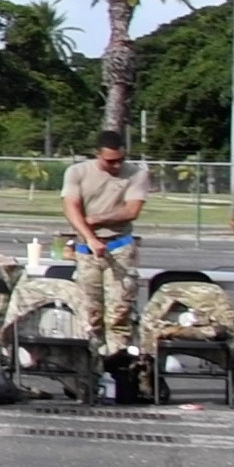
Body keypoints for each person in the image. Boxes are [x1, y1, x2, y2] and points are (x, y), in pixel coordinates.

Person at [62, 131, 150, 384]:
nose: (116, 165)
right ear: (97, 154)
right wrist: (89, 235)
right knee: (90, 314)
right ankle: (89, 371)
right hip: (87, 248)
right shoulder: (77, 172)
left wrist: (97, 219)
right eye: (110, 161)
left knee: (119, 313)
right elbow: (71, 206)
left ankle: (119, 370)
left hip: (119, 246)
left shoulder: (136, 174)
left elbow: (131, 211)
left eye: (120, 160)